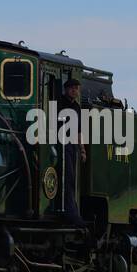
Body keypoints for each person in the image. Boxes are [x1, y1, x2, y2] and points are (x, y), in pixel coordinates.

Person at [60, 77, 86, 227]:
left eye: (76, 88)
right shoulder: (59, 103)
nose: (74, 90)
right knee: (67, 178)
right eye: (72, 88)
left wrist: (82, 150)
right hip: (59, 143)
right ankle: (69, 212)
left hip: (71, 146)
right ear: (66, 89)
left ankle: (71, 210)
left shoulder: (76, 107)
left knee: (71, 178)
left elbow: (79, 131)